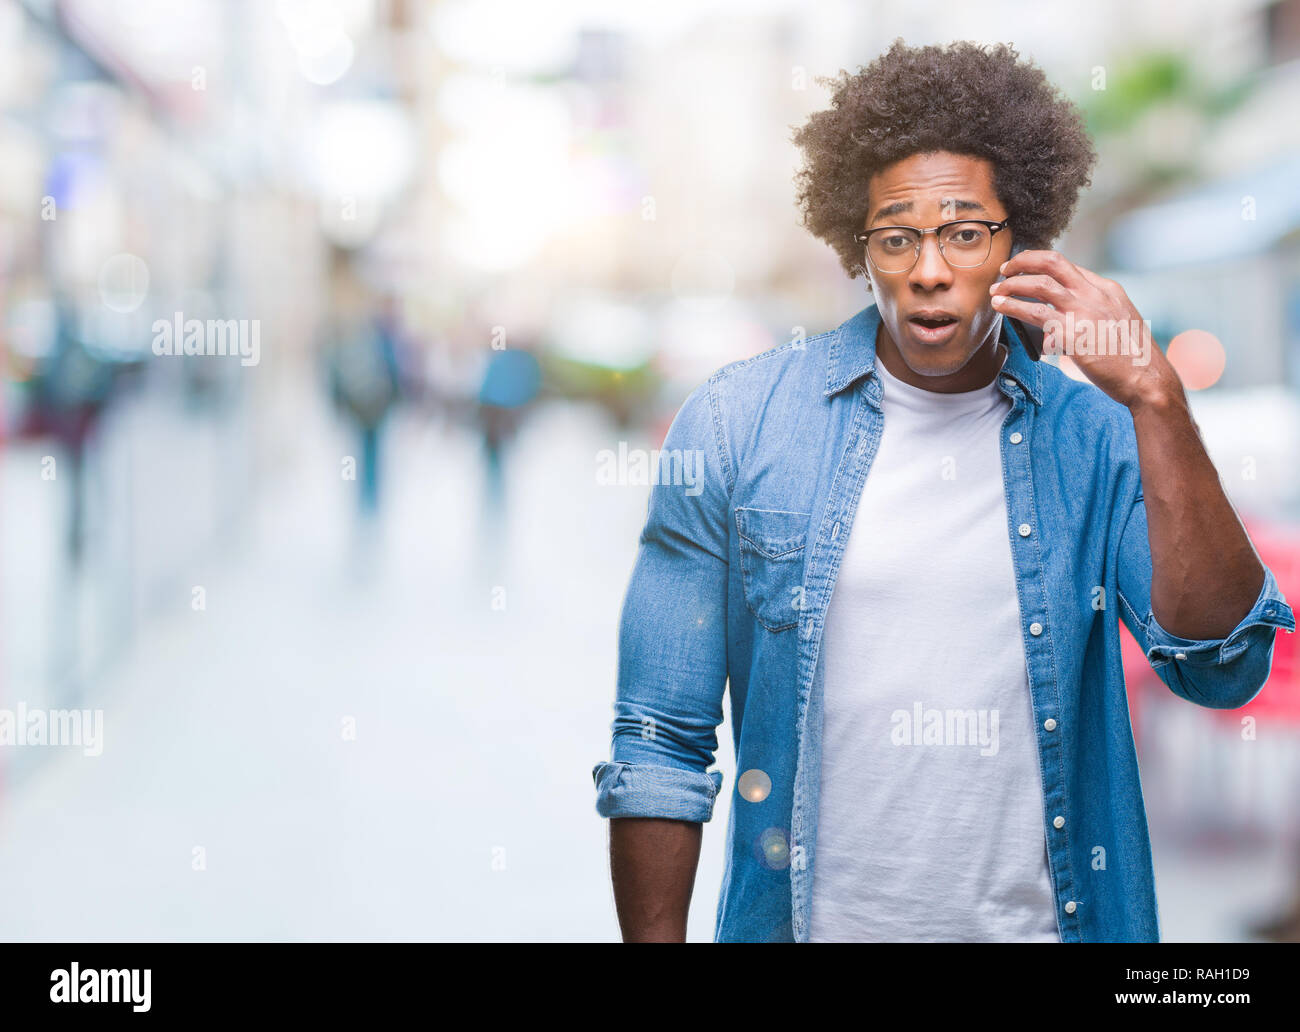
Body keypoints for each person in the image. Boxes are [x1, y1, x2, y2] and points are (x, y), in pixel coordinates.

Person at [591, 39, 1296, 943]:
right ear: (862, 245)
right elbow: (660, 739)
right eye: (898, 236)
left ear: (1019, 241)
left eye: (965, 232)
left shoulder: (1096, 442)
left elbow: (1220, 666)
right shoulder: (735, 428)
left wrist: (1158, 400)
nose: (929, 268)